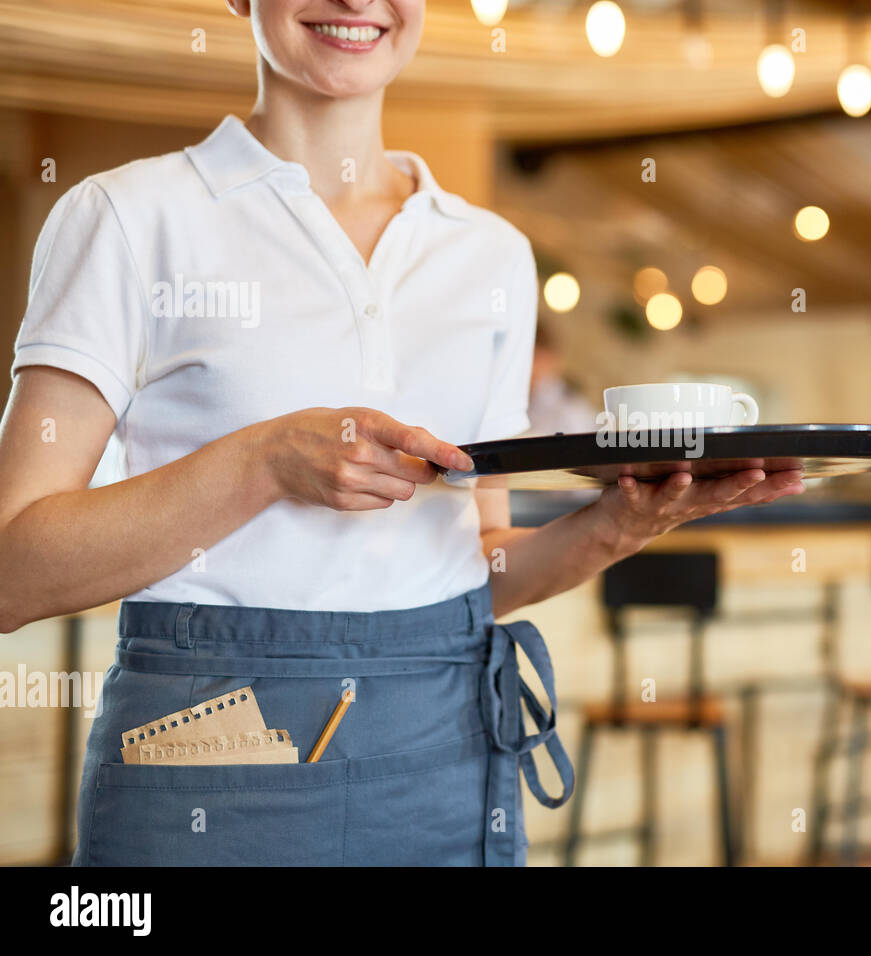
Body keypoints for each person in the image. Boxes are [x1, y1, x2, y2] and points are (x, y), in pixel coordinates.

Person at [0, 0, 805, 866]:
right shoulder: (126, 219)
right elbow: (12, 571)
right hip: (214, 775)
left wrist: (617, 527)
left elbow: (479, 566)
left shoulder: (490, 255)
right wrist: (262, 463)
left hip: (444, 761)